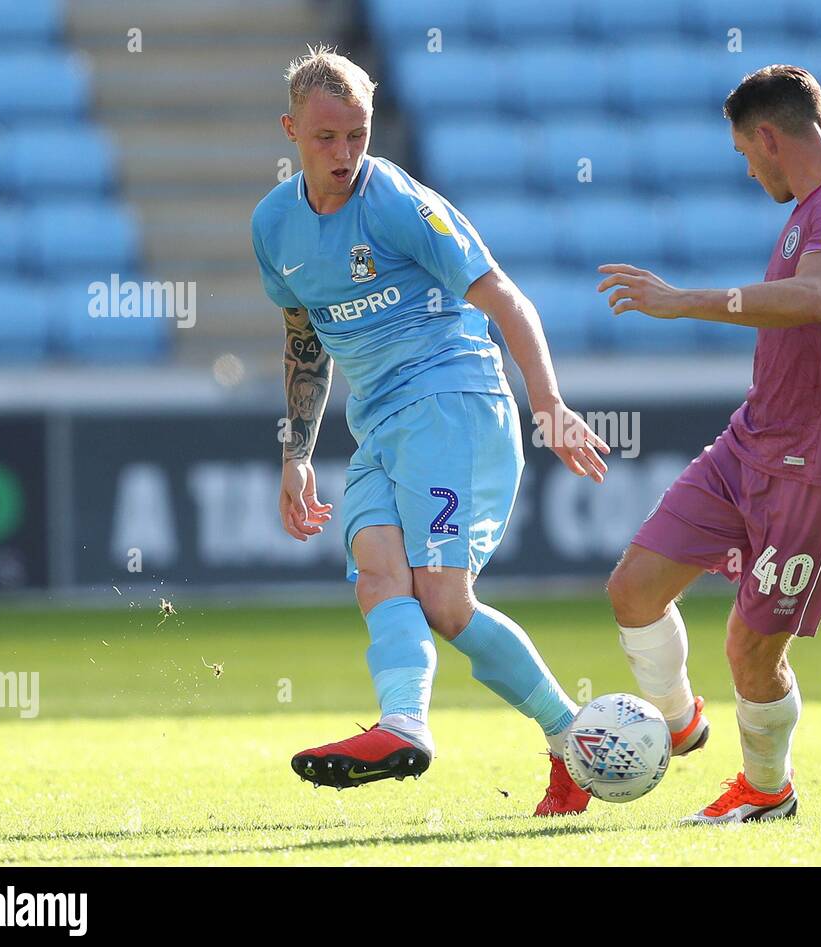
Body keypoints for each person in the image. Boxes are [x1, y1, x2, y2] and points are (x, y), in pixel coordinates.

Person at [250, 46, 608, 815]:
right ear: (290, 131)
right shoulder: (274, 227)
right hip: (376, 422)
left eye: (358, 134)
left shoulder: (401, 204)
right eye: (325, 139)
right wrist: (297, 453)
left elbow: (506, 298)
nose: (345, 154)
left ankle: (571, 741)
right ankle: (403, 726)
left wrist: (549, 404)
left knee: (445, 600)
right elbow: (304, 339)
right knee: (378, 575)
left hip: (454, 400)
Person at [597, 65, 821, 824]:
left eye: (744, 151)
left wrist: (683, 302)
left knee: (751, 650)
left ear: (769, 135)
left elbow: (816, 296)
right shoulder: (819, 205)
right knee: (633, 588)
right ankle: (678, 725)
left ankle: (769, 791)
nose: (746, 166)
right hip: (753, 441)